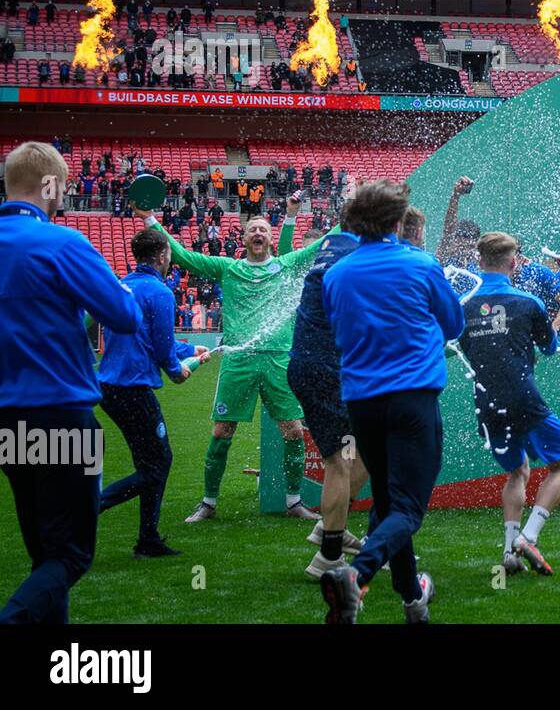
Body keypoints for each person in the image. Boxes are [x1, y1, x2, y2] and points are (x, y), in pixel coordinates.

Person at [0, 142, 143, 623]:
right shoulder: (62, 243)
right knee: (71, 555)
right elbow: (124, 316)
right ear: (51, 185)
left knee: (46, 554)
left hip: (8, 421)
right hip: (61, 415)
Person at [318, 180, 465, 624]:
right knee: (407, 509)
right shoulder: (420, 264)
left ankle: (411, 597)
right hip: (412, 399)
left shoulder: (335, 274)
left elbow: (338, 328)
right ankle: (354, 574)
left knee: (387, 500)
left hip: (362, 402)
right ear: (398, 222)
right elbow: (454, 323)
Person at [135, 193, 329, 522]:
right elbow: (181, 255)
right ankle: (208, 503)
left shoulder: (286, 266)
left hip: (278, 360)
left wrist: (355, 206)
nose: (257, 233)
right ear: (244, 237)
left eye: (263, 229)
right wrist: (150, 217)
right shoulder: (229, 268)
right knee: (222, 431)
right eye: (252, 228)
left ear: (270, 238)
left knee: (294, 431)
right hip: (239, 362)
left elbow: (325, 243)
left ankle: (293, 502)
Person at [458, 232, 560, 576]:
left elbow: (468, 350)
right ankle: (529, 537)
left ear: (479, 262)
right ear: (513, 263)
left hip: (486, 403)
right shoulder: (528, 302)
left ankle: (509, 552)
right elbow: (549, 348)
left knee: (518, 470)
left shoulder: (464, 305)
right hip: (523, 398)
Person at [97, 228, 211, 557]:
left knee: (151, 461)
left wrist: (189, 346)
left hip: (109, 387)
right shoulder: (159, 292)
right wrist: (178, 371)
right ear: (162, 255)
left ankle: (148, 539)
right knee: (157, 464)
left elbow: (148, 338)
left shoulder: (123, 284)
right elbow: (161, 348)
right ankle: (91, 506)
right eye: (169, 255)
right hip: (132, 389)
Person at [288, 210, 369, 578]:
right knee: (340, 460)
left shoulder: (332, 243)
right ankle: (328, 557)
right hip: (326, 371)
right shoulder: (355, 258)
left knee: (364, 452)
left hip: (313, 367)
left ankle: (330, 527)